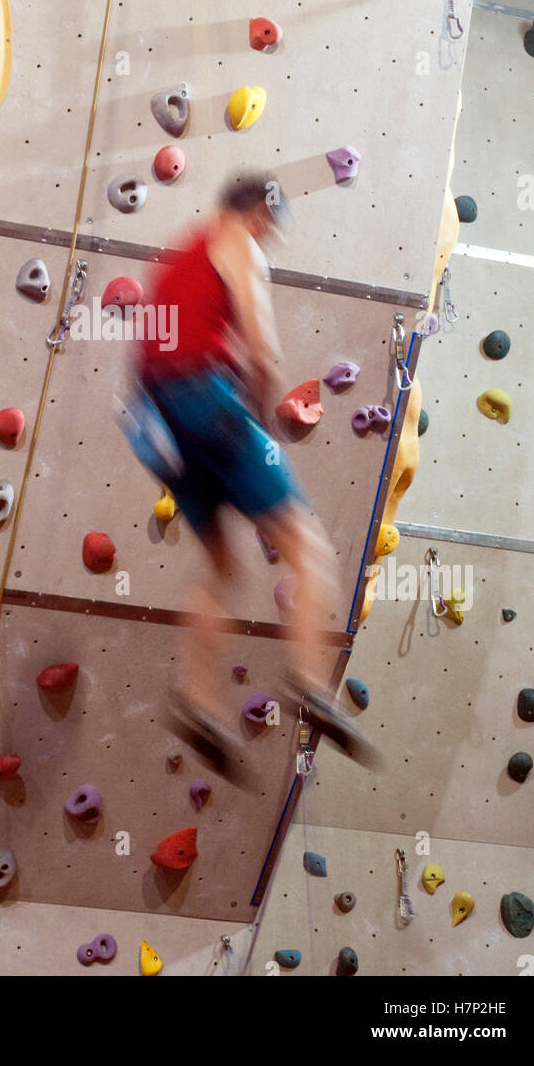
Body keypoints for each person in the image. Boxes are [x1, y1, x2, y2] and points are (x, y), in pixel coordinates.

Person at [130, 171, 376, 776]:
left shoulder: (179, 251)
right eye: (271, 228)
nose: (268, 241)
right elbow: (263, 350)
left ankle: (197, 700)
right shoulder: (238, 240)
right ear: (259, 214)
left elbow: (153, 345)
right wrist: (259, 424)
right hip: (207, 402)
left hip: (155, 413)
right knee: (310, 548)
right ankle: (311, 685)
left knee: (221, 567)